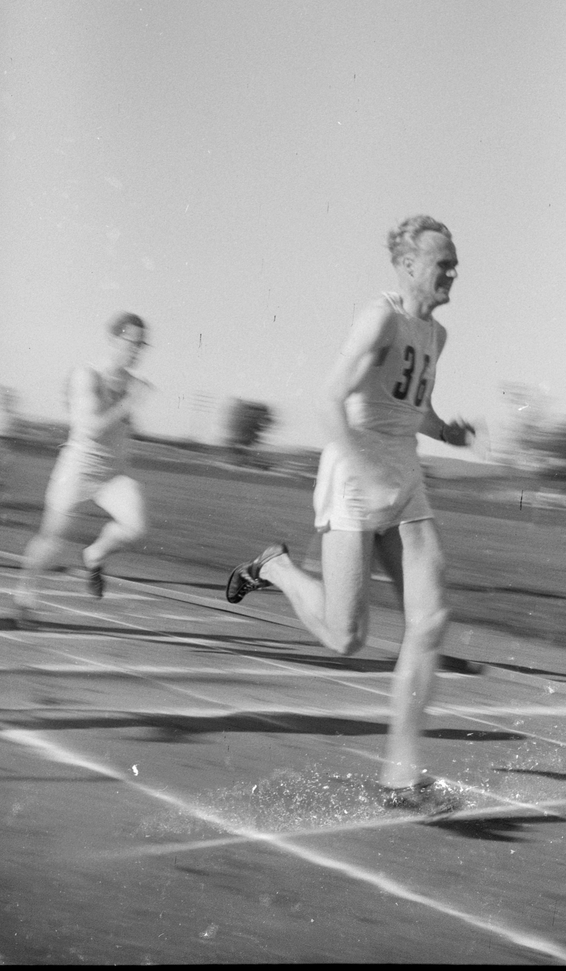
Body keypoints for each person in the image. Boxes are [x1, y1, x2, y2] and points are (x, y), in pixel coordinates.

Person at [226, 215, 475, 816]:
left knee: (432, 616)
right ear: (410, 265)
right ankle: (277, 567)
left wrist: (444, 429)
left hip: (404, 477)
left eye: (455, 263)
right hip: (356, 475)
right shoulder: (379, 317)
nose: (453, 273)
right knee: (346, 636)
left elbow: (412, 405)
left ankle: (400, 776)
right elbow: (328, 398)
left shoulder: (435, 334)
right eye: (444, 262)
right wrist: (362, 469)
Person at [13, 313, 152, 629]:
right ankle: (25, 595)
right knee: (51, 539)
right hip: (77, 470)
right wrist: (129, 403)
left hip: (113, 474)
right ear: (114, 339)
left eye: (142, 344)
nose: (137, 350)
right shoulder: (87, 376)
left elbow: (121, 427)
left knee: (135, 527)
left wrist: (129, 406)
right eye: (133, 342)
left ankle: (95, 554)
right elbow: (91, 427)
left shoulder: (132, 383)